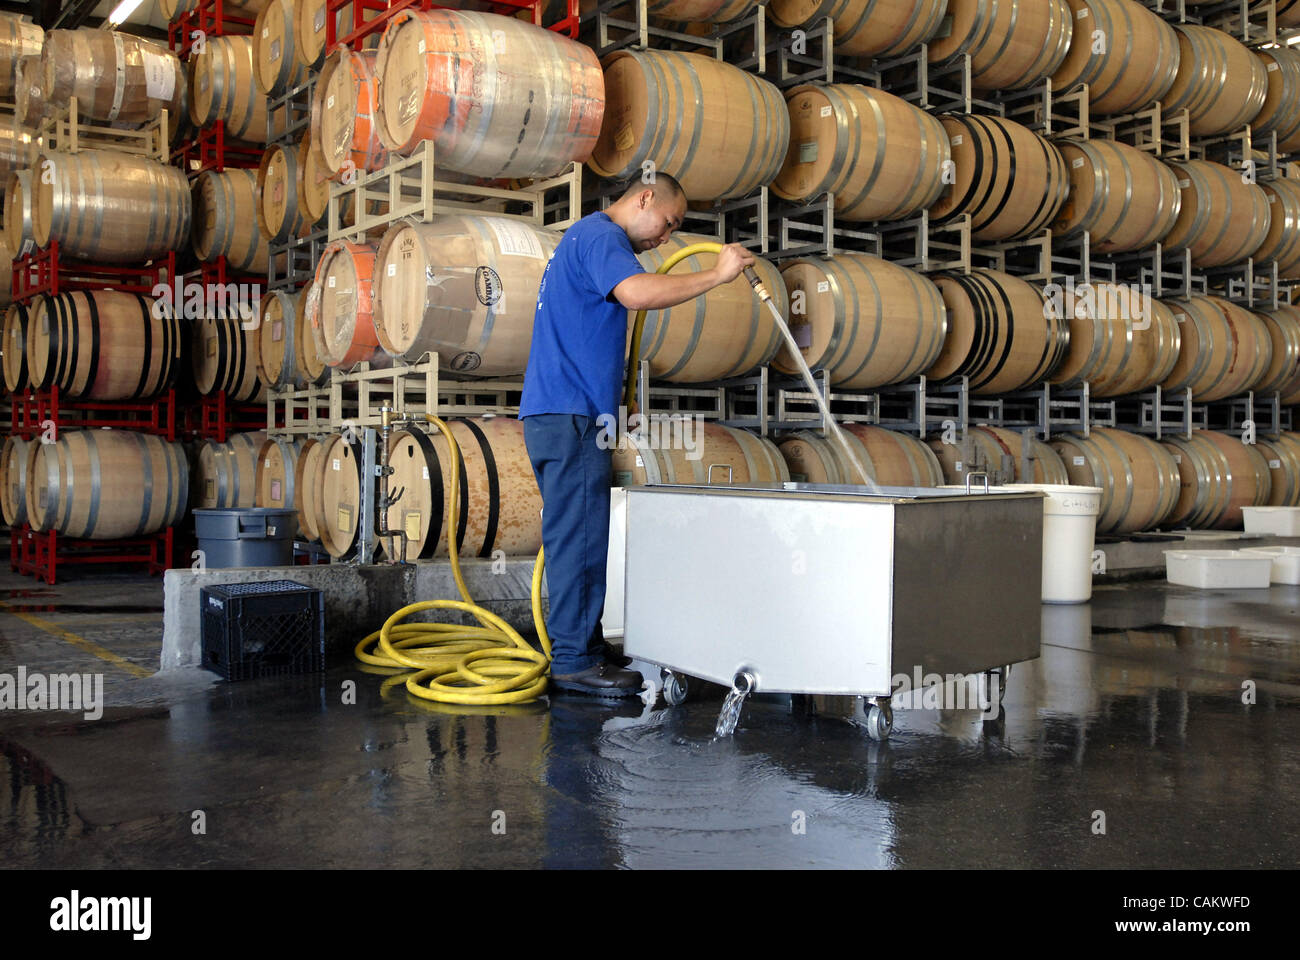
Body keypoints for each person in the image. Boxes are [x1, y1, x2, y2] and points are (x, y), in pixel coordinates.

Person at [519, 174, 755, 697]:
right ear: (645, 198)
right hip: (571, 416)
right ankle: (575, 662)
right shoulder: (601, 236)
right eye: (668, 223)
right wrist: (715, 276)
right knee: (579, 538)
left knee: (576, 535)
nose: (666, 239)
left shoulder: (583, 239)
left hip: (568, 413)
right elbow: (637, 292)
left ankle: (580, 648)